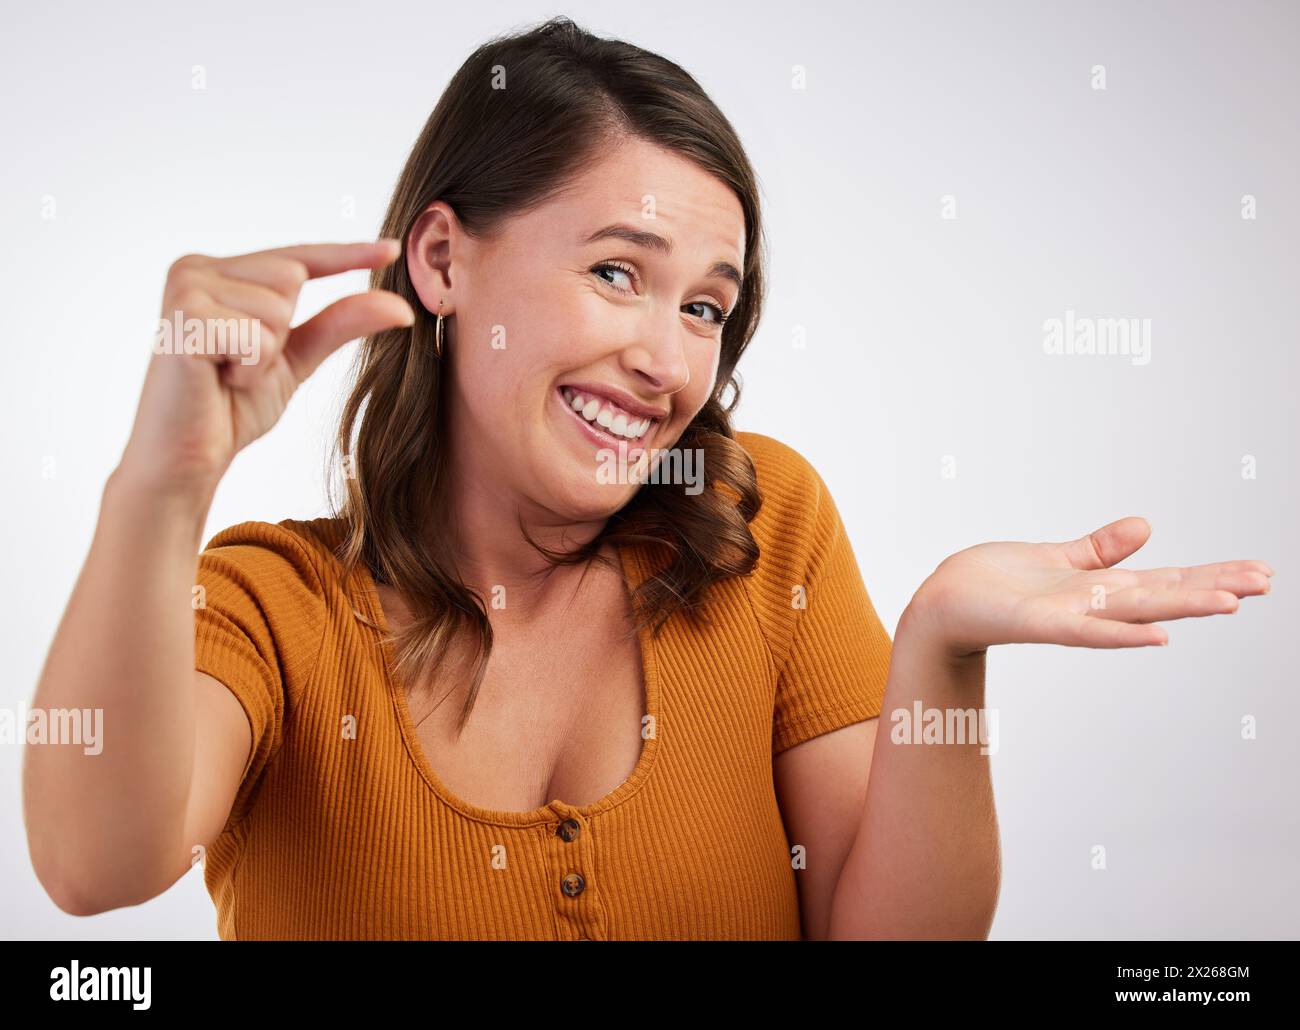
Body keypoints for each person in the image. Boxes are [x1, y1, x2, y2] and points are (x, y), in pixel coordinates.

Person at [23, 16, 1272, 941]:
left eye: (707, 307)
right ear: (445, 259)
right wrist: (162, 487)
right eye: (617, 273)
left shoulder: (757, 529)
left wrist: (939, 646)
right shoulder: (273, 607)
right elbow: (91, 866)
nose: (664, 357)